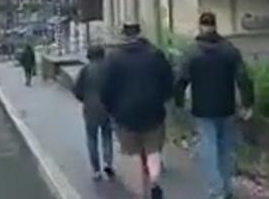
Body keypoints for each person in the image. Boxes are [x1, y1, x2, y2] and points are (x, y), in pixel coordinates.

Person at [175, 11, 254, 199]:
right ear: (215, 26)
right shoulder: (229, 50)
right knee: (226, 148)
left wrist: (178, 103)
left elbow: (181, 79)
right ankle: (227, 187)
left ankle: (215, 188)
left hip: (202, 108)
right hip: (226, 106)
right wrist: (248, 103)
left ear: (200, 26)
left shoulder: (191, 52)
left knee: (208, 148)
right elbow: (243, 78)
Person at [100, 22, 173, 199]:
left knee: (131, 153)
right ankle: (154, 182)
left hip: (125, 113)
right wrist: (162, 99)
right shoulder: (155, 55)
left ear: (123, 36)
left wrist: (110, 108)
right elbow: (168, 80)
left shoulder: (113, 59)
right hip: (153, 111)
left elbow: (106, 87)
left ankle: (139, 193)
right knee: (153, 150)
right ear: (140, 34)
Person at [73, 45, 115, 182]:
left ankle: (96, 170)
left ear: (89, 56)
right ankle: (108, 163)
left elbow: (76, 90)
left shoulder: (85, 70)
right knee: (107, 136)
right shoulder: (109, 70)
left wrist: (85, 99)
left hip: (90, 109)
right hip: (108, 108)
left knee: (92, 139)